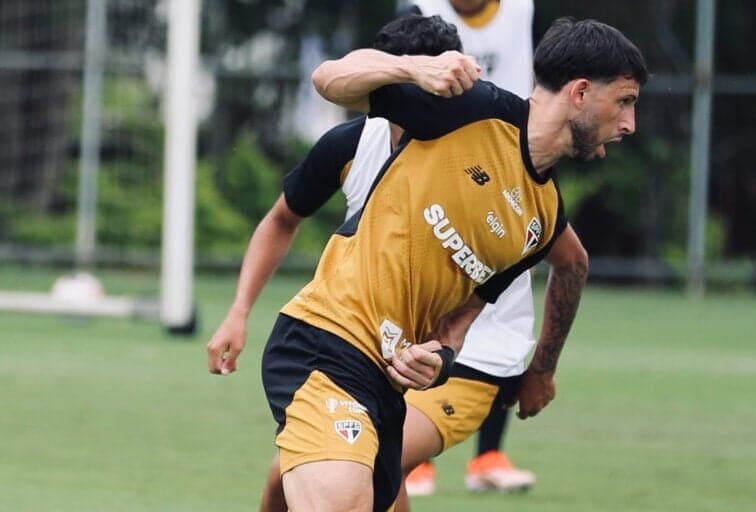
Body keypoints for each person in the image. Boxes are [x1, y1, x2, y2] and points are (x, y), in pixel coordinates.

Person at [213, 15, 647, 512]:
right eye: (625, 101)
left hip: (386, 383)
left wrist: (439, 358)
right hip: (325, 342)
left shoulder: (543, 219)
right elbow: (328, 77)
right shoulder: (472, 110)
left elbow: (459, 322)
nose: (630, 123)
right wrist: (416, 69)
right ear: (580, 92)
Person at [400, 0, 539, 495]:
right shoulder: (423, 9)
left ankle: (489, 456)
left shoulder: (520, 9)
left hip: (511, 172)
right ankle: (413, 455)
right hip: (447, 164)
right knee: (425, 300)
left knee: (507, 313)